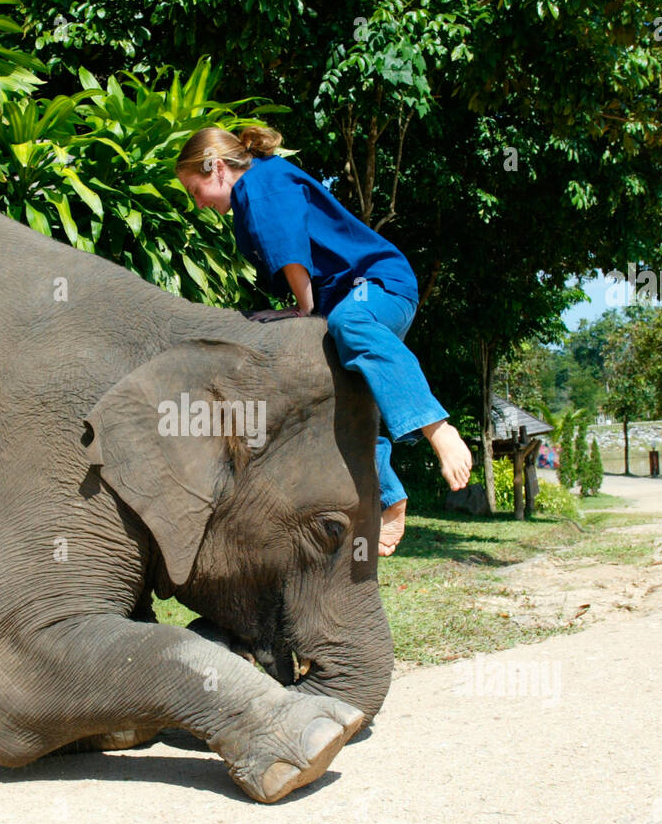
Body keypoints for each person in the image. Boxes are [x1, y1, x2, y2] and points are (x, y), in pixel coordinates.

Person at [175, 125, 473, 555]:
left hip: (379, 285)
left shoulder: (260, 182)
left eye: (195, 188)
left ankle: (438, 428)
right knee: (338, 399)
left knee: (350, 322)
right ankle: (390, 498)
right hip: (343, 304)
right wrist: (300, 310)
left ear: (217, 168)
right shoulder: (253, 193)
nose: (197, 202)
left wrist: (300, 309)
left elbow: (289, 249)